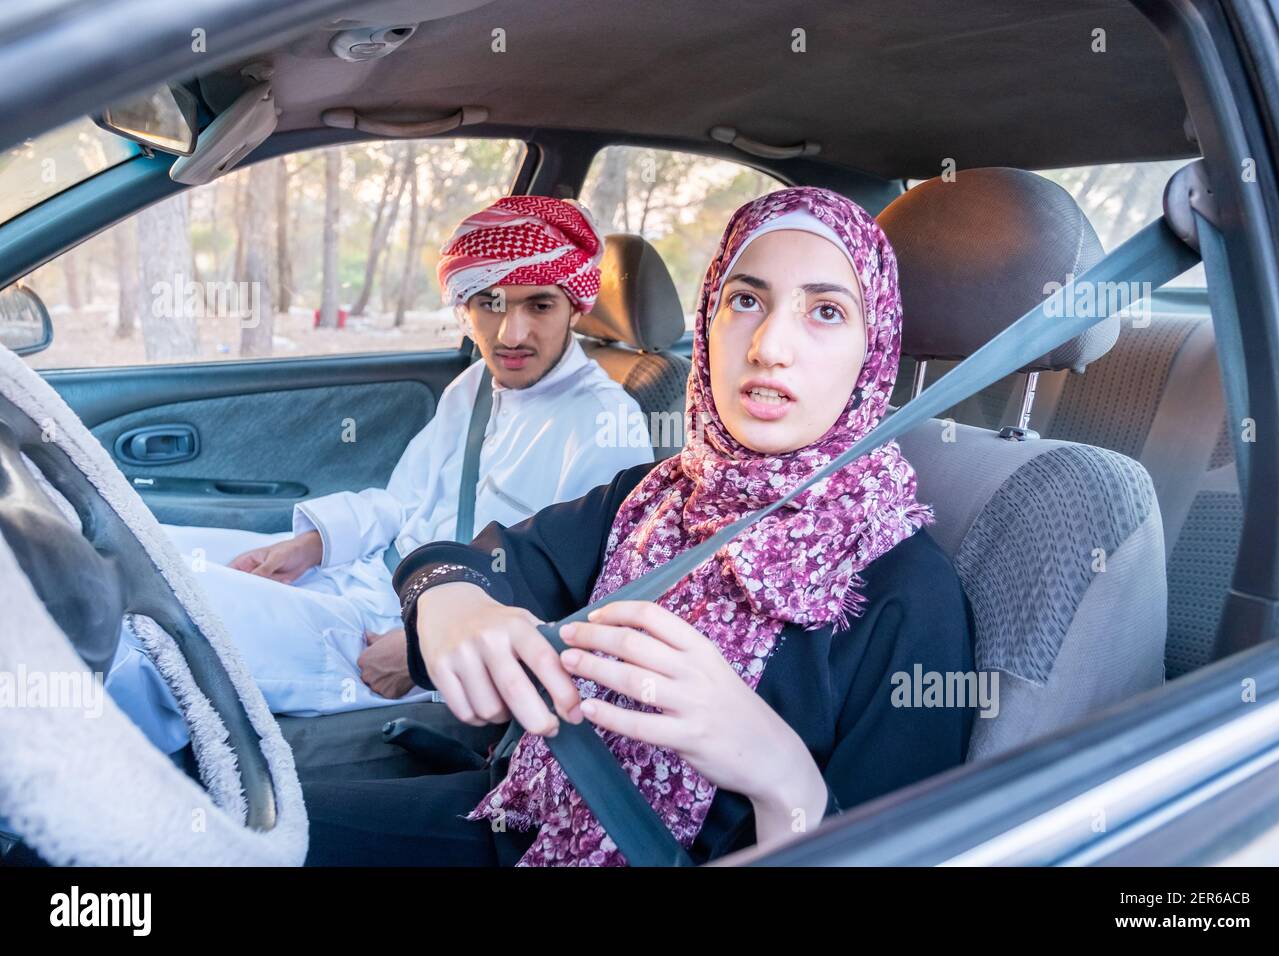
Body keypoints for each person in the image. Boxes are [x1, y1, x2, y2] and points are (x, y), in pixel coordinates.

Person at [301, 186, 978, 867]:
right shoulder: (654, 496)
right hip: (524, 814)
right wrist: (447, 597)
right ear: (709, 319)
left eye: (826, 312)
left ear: (873, 349)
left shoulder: (907, 592)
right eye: (746, 301)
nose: (771, 346)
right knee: (242, 834)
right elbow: (482, 560)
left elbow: (892, 852)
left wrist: (782, 776)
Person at [106, 197, 653, 754]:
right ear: (466, 307)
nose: (512, 333)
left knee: (150, 617)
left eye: (539, 306)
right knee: (140, 549)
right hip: (370, 575)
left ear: (576, 309)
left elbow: (585, 599)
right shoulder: (474, 388)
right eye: (490, 304)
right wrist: (316, 544)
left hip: (412, 636)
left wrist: (422, 656)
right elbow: (402, 502)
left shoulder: (605, 421)